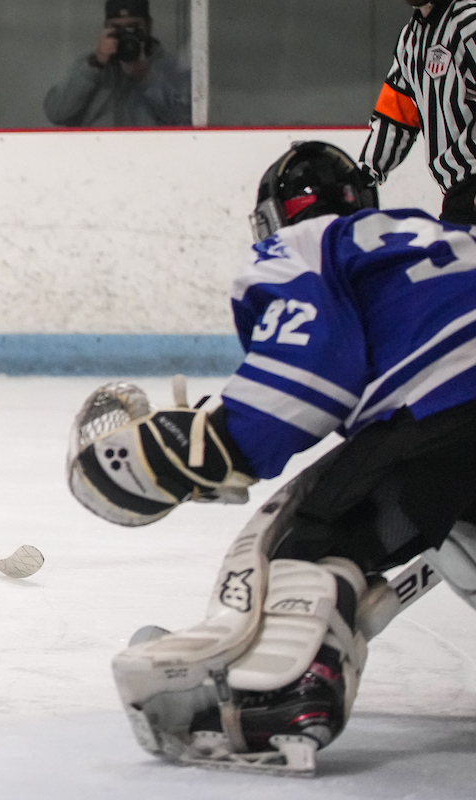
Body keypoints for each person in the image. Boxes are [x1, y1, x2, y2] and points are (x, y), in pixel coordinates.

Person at [66, 141, 476, 774]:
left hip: (452, 409)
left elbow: (311, 371)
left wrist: (212, 445)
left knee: (317, 533)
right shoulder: (436, 236)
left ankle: (278, 696)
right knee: (453, 528)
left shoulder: (308, 245)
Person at [358, 0, 476, 224]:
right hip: (458, 192)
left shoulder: (469, 23)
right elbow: (396, 115)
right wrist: (366, 173)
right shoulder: (411, 39)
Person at [43, 0, 190, 127]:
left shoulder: (172, 68)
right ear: (106, 28)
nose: (126, 35)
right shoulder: (90, 67)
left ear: (149, 25)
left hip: (153, 154)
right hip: (96, 154)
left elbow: (186, 122)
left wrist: (147, 80)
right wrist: (95, 66)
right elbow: (56, 114)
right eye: (117, 29)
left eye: (133, 27)